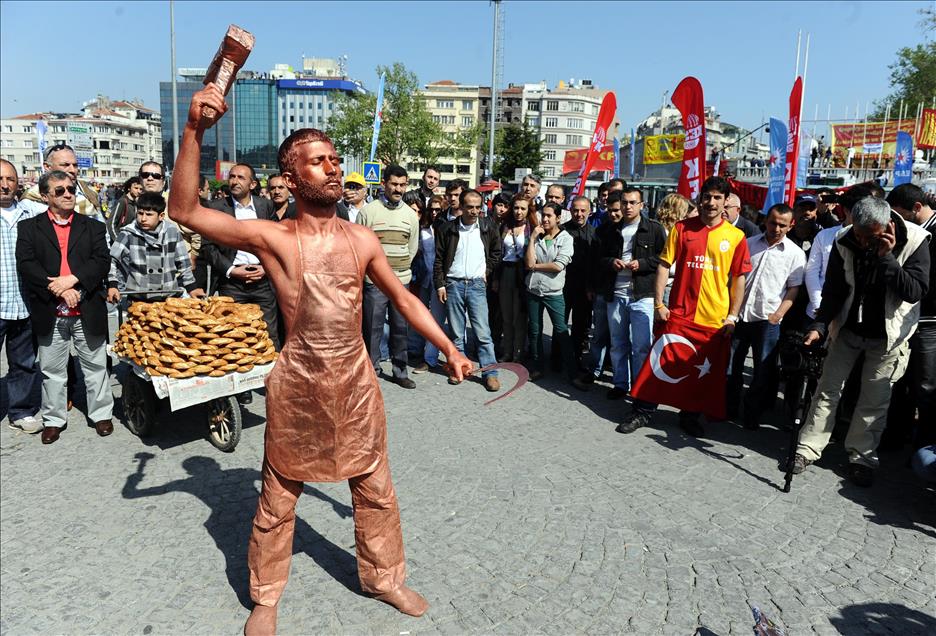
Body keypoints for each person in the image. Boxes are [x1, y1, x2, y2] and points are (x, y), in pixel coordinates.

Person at [167, 85, 472, 634]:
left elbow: (403, 298)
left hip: (355, 378)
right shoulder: (272, 236)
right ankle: (266, 596)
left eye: (334, 159)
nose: (332, 169)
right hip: (299, 378)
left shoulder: (362, 238)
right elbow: (184, 210)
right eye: (318, 162)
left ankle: (384, 578)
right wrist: (194, 131)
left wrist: (449, 347)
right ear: (291, 178)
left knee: (375, 488)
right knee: (279, 495)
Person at [793, 196, 930, 487]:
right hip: (847, 328)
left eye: (870, 237)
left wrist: (888, 259)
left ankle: (862, 457)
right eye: (858, 233)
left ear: (888, 226)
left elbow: (915, 291)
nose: (862, 241)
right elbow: (834, 289)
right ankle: (807, 449)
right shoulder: (846, 239)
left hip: (889, 336)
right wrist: (819, 325)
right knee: (827, 389)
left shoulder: (917, 240)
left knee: (874, 399)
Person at [16, 170, 115, 444]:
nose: (68, 194)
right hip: (50, 309)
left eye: (71, 189)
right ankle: (54, 419)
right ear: (46, 196)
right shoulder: (29, 228)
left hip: (87, 306)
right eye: (60, 191)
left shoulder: (93, 226)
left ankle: (101, 414)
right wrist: (57, 288)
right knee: (52, 371)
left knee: (95, 367)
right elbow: (26, 264)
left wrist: (73, 281)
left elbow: (101, 261)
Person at [652, 177, 751, 437]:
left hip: (713, 320)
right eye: (707, 196)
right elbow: (663, 265)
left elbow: (738, 278)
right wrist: (659, 303)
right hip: (679, 313)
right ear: (700, 198)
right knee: (656, 365)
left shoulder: (736, 237)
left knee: (700, 373)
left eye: (718, 198)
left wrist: (732, 316)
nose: (711, 202)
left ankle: (689, 416)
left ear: (726, 201)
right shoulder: (682, 228)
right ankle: (642, 411)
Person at [726, 204, 805, 428]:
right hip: (740, 315)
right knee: (731, 367)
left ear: (791, 226)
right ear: (765, 222)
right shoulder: (748, 244)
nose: (776, 228)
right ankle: (729, 408)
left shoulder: (795, 254)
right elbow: (734, 277)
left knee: (762, 372)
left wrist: (779, 314)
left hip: (767, 320)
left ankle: (751, 416)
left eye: (782, 225)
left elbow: (793, 289)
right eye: (773, 223)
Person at [591, 186, 665, 426]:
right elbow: (598, 258)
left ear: (642, 205)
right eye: (624, 203)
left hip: (642, 294)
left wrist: (641, 263)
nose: (628, 207)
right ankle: (621, 384)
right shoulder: (608, 230)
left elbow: (664, 259)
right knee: (618, 343)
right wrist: (610, 262)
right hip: (616, 293)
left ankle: (640, 390)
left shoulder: (653, 229)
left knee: (641, 347)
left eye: (633, 202)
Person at [203, 163, 280, 352]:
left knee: (268, 334)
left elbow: (278, 241)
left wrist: (267, 267)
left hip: (263, 281)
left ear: (252, 184)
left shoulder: (266, 206)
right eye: (232, 177)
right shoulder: (216, 208)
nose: (234, 181)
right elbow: (207, 246)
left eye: (240, 178)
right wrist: (231, 270)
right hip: (232, 283)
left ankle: (271, 378)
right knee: (232, 336)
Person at [357, 165, 421, 389]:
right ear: (384, 183)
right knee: (372, 329)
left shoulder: (411, 216)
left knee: (400, 327)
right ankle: (372, 370)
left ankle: (400, 371)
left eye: (402, 185)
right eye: (394, 184)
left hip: (401, 281)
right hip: (374, 282)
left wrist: (399, 270)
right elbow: (359, 247)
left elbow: (411, 248)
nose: (398, 189)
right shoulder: (368, 212)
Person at [433, 189, 502, 392]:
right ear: (461, 207)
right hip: (453, 283)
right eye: (469, 207)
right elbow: (438, 259)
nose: (474, 211)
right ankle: (459, 369)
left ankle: (490, 373)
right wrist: (440, 284)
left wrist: (486, 270)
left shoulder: (488, 226)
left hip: (476, 285)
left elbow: (497, 252)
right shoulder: (448, 229)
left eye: (477, 207)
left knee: (483, 332)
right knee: (456, 332)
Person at [885, 184, 935, 448]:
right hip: (903, 315)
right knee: (898, 379)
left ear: (916, 208)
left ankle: (923, 446)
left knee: (925, 387)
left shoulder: (928, 233)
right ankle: (896, 436)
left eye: (900, 214)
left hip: (929, 321)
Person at [1, 159, 44, 434]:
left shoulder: (33, 213)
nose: (4, 185)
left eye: (10, 179)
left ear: (19, 184)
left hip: (26, 304)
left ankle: (21, 411)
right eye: (0, 179)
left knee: (24, 364)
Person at [106, 192, 204, 304]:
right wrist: (112, 284)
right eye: (140, 213)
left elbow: (184, 263)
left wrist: (192, 287)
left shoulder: (172, 232)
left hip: (168, 298)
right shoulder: (128, 233)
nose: (143, 219)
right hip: (138, 299)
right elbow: (111, 260)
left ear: (161, 216)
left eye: (149, 214)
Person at [524, 201, 575, 381]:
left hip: (553, 292)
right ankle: (537, 367)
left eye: (549, 216)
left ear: (558, 218)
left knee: (561, 330)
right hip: (533, 290)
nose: (544, 219)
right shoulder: (537, 236)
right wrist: (531, 239)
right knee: (535, 330)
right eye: (543, 215)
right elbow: (528, 262)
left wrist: (536, 266)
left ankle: (572, 372)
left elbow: (558, 265)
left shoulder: (566, 238)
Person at [407, 195, 446, 373]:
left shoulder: (445, 229)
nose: (435, 213)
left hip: (439, 280)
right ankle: (414, 349)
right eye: (432, 209)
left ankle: (430, 358)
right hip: (422, 277)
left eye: (438, 209)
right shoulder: (423, 228)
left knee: (435, 319)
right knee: (418, 315)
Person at [560, 196, 598, 369]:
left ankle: (577, 360)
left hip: (585, 288)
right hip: (563, 285)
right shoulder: (561, 231)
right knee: (560, 324)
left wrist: (591, 286)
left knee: (581, 326)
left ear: (590, 212)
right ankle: (557, 358)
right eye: (575, 210)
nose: (579, 214)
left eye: (583, 210)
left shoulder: (596, 234)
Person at [497, 194, 537, 362]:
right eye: (516, 208)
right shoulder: (505, 226)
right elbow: (498, 253)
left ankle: (518, 353)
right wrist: (495, 279)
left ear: (528, 211)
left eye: (523, 208)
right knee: (506, 315)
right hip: (505, 271)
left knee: (519, 317)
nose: (518, 212)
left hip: (523, 273)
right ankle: (507, 351)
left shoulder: (533, 228)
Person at [24, 143, 103, 221]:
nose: (72, 170)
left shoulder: (89, 194)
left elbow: (102, 229)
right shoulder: (31, 200)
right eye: (65, 165)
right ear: (47, 167)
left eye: (75, 165)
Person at [106, 176, 142, 241]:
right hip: (120, 240)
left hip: (130, 240)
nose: (139, 191)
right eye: (136, 188)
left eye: (140, 189)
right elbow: (111, 222)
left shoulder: (135, 203)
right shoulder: (122, 201)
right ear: (129, 188)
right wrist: (118, 240)